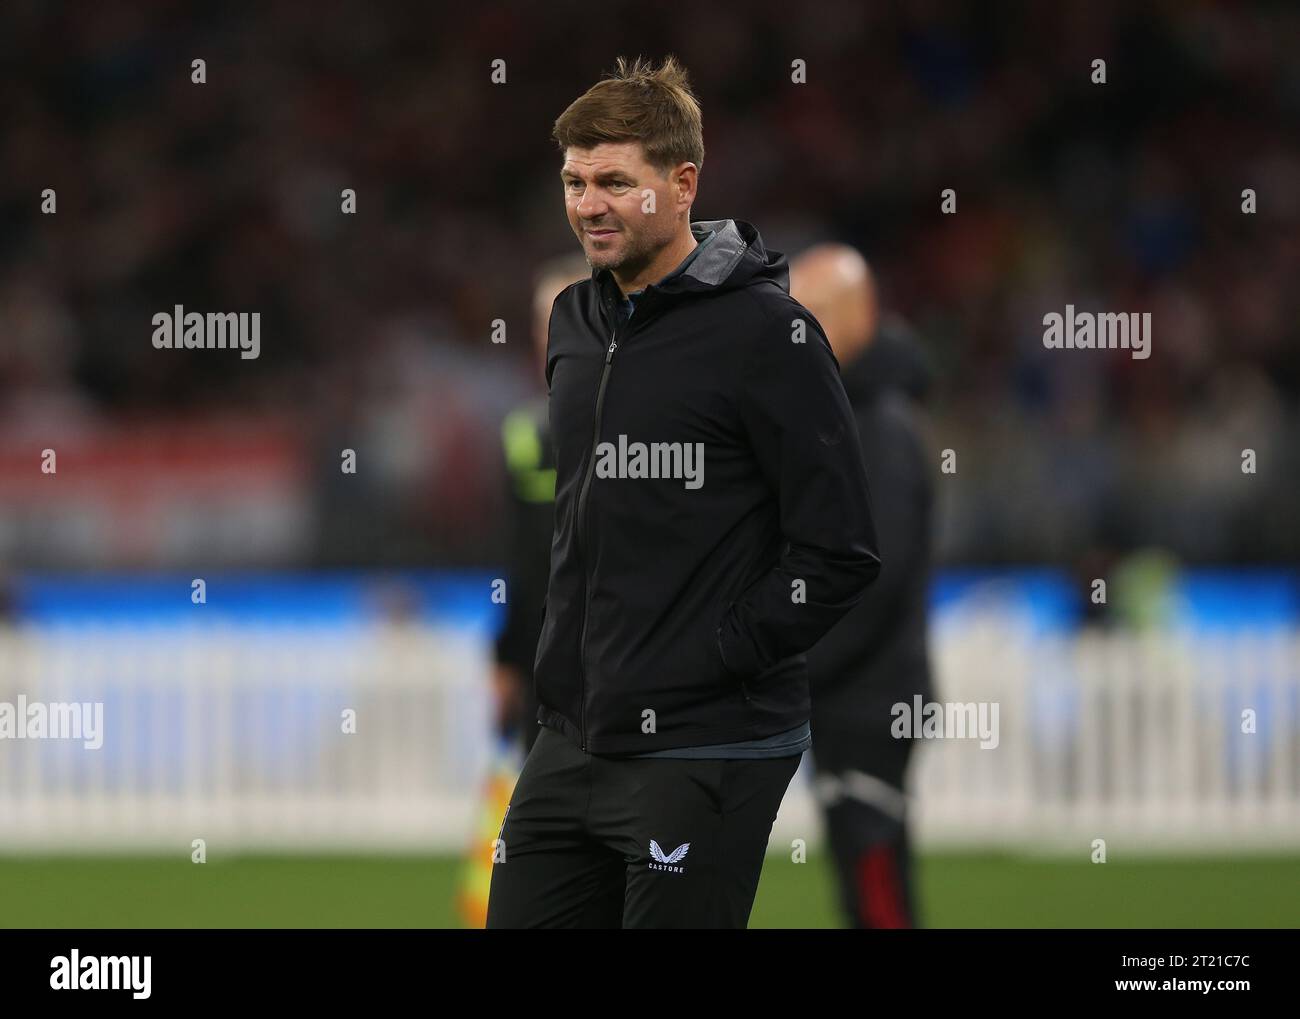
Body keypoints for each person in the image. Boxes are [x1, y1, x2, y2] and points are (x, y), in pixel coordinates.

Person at [486, 56, 880, 929]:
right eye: (575, 180)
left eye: (616, 182)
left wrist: (718, 652)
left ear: (683, 182)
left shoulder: (769, 334)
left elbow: (841, 550)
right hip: (571, 734)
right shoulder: (576, 323)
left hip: (707, 742)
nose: (588, 203)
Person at [791, 244, 935, 929]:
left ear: (861, 315)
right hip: (855, 692)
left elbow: (873, 572)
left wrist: (794, 658)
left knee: (874, 875)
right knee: (865, 871)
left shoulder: (878, 426)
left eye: (817, 310)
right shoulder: (847, 413)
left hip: (870, 696)